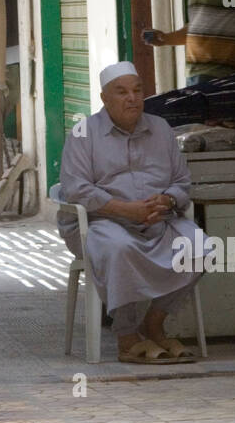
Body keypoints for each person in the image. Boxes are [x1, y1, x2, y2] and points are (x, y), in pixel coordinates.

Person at [59, 61, 204, 363]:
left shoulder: (160, 128)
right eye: (122, 92)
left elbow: (182, 182)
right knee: (119, 247)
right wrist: (126, 210)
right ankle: (126, 335)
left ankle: (154, 324)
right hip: (102, 221)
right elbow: (75, 189)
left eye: (137, 91)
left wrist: (166, 201)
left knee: (199, 247)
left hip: (158, 221)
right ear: (104, 99)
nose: (132, 98)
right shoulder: (83, 133)